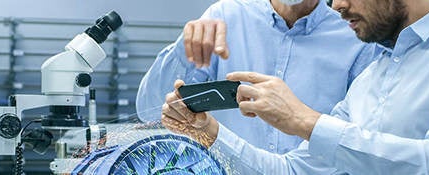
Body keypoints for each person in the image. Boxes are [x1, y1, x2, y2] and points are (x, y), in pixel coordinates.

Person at [161, 0, 429, 174]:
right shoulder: (374, 74)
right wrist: (210, 133)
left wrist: (305, 122)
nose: (337, 5)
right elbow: (293, 172)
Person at [137, 0, 375, 154]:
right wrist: (184, 48)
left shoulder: (354, 35)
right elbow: (149, 111)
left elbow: (360, 142)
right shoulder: (224, 16)